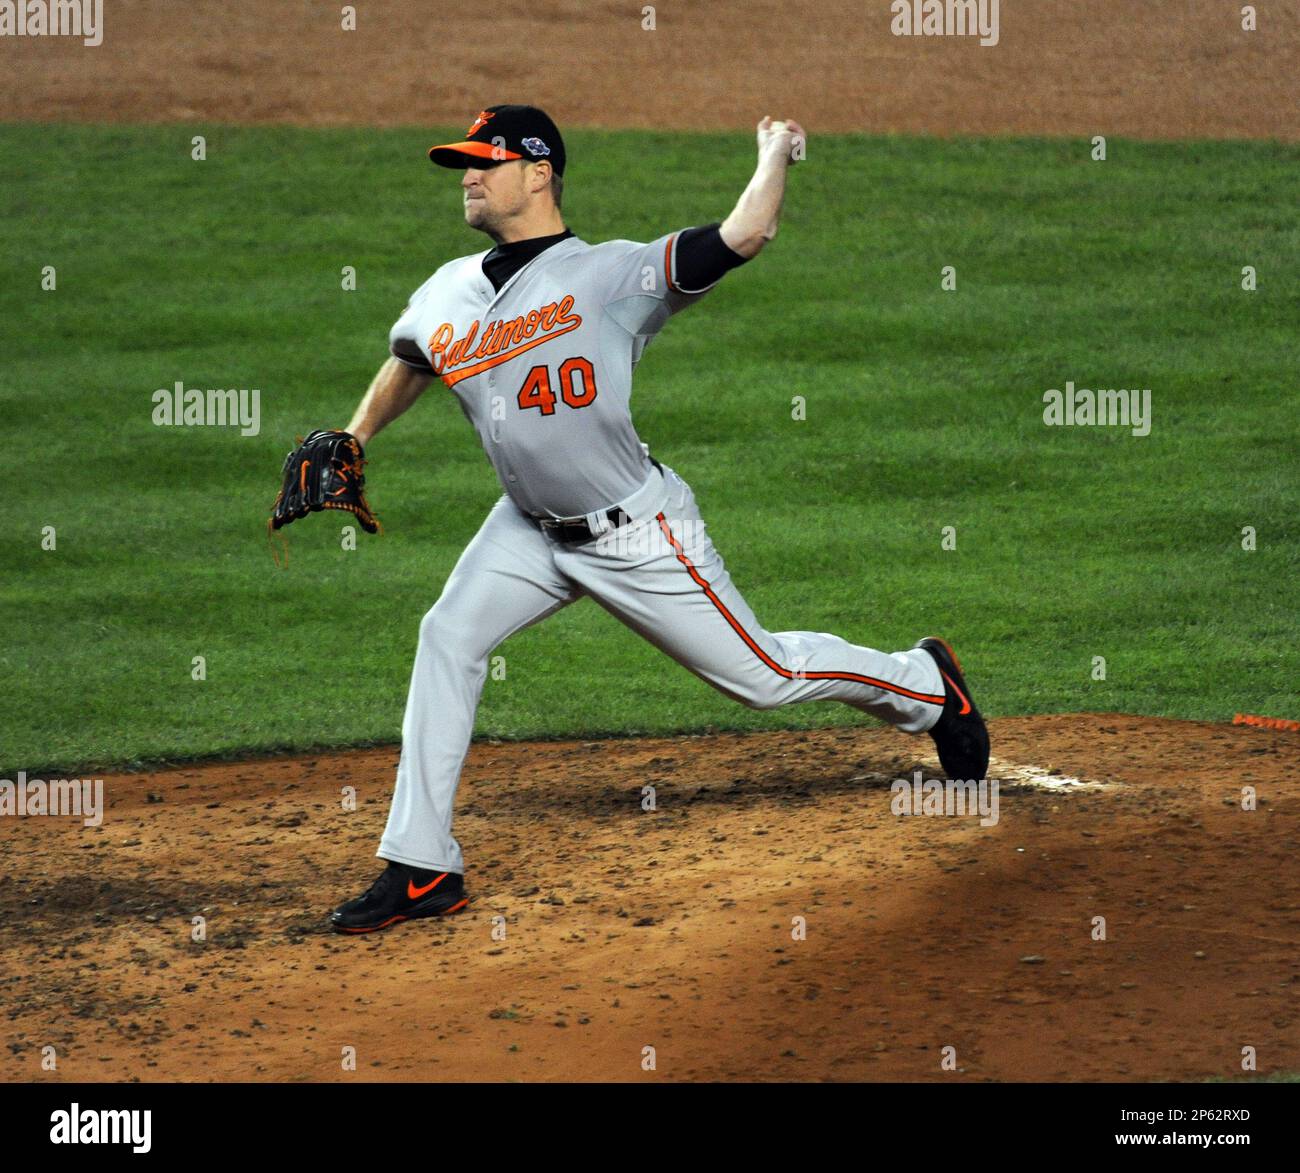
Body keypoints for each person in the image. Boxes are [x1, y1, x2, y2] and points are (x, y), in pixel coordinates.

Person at [328, 105, 989, 934]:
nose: (468, 176)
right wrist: (354, 437)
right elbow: (411, 358)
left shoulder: (613, 276)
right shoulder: (447, 288)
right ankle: (422, 865)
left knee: (764, 676)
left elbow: (745, 234)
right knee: (447, 636)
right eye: (464, 163)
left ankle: (927, 684)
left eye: (484, 162)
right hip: (526, 528)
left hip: (635, 530)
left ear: (539, 174)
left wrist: (774, 154)